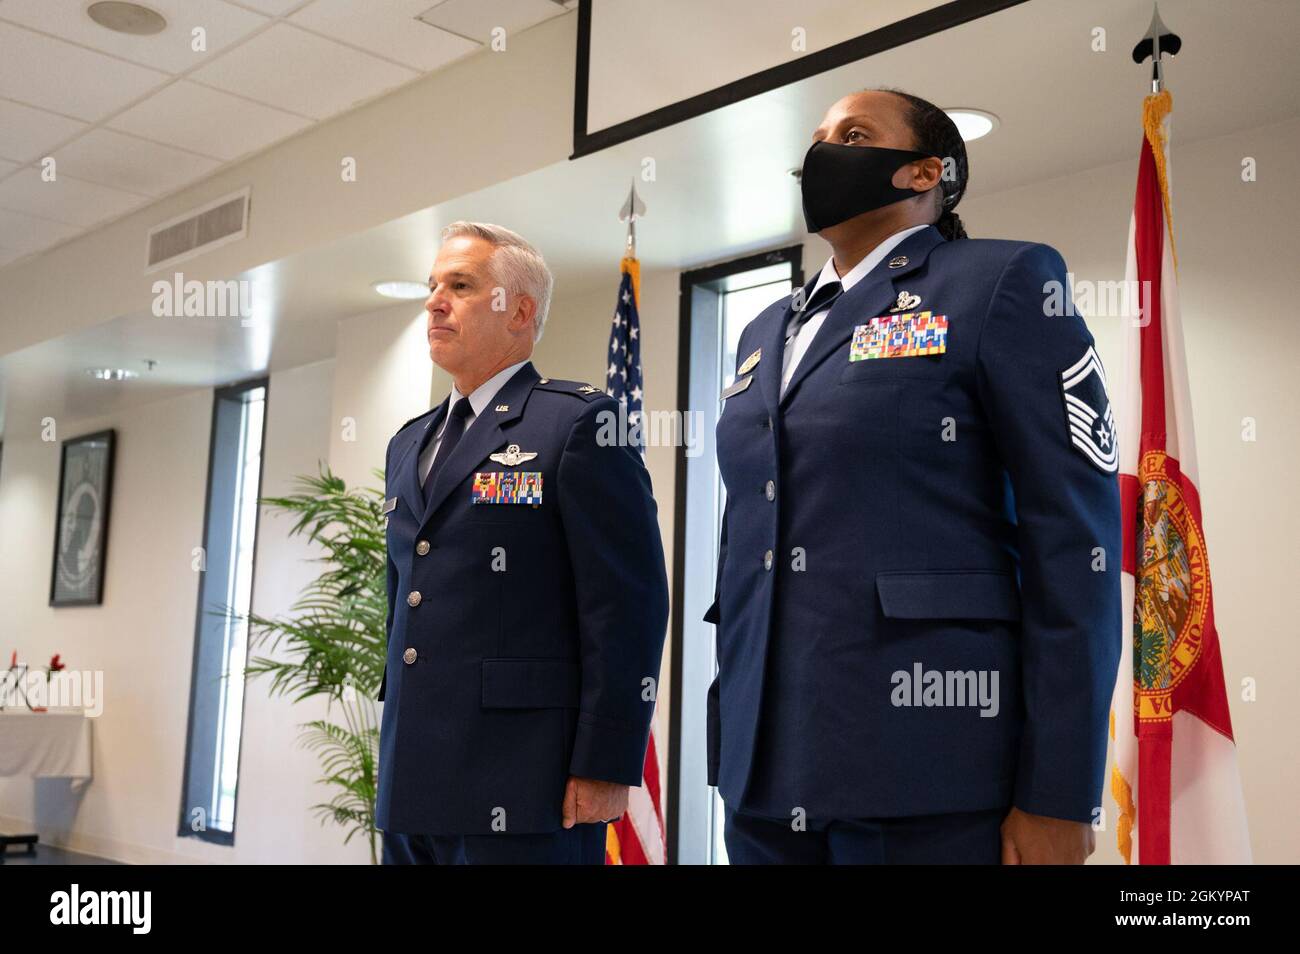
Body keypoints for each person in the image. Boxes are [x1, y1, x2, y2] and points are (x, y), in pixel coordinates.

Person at [706, 89, 1122, 864]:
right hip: (764, 775)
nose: (824, 153)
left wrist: (1059, 790)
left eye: (853, 135)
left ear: (923, 171)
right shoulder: (767, 331)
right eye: (819, 138)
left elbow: (1076, 543)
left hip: (931, 774)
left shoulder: (1001, 280)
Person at [376, 221, 669, 864]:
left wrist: (606, 764)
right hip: (412, 777)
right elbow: (406, 597)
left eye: (460, 285)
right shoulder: (410, 441)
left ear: (520, 311)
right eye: (432, 286)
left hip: (524, 780)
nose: (434, 301)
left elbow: (629, 605)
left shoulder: (577, 423)